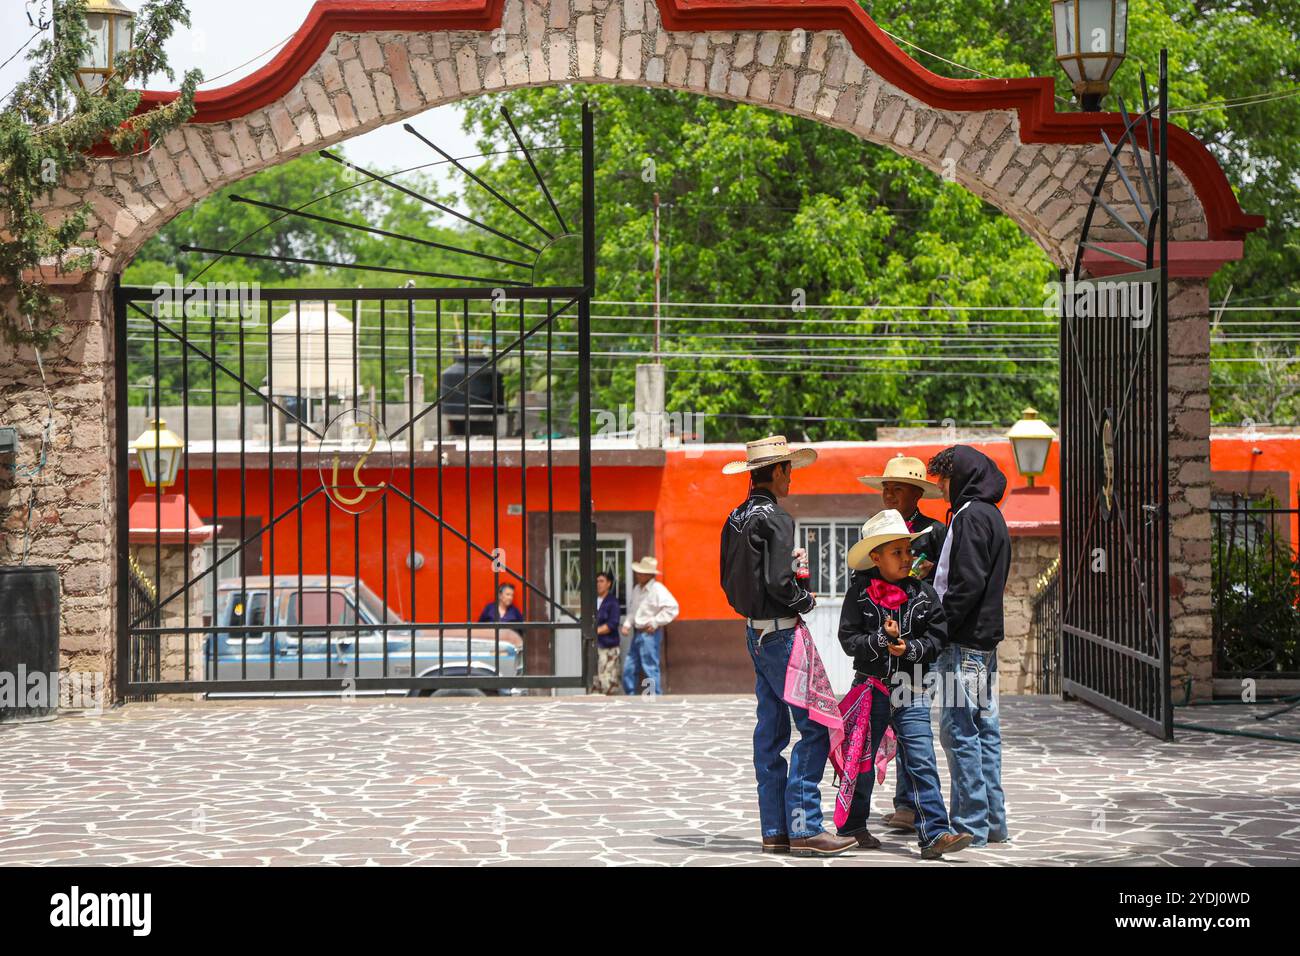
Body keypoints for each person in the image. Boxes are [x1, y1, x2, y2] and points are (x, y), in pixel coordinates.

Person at [719, 435, 856, 858]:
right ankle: (806, 826)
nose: (791, 478)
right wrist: (806, 601)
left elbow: (730, 581)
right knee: (816, 724)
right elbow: (781, 582)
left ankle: (775, 830)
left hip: (754, 633)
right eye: (789, 470)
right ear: (777, 471)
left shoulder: (735, 517)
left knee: (772, 732)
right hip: (781, 634)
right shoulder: (776, 518)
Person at [835, 509, 972, 860]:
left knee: (922, 758)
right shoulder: (860, 596)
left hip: (911, 689)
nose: (906, 558)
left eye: (908, 551)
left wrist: (910, 648)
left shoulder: (924, 595)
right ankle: (852, 826)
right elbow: (849, 639)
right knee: (862, 760)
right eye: (897, 553)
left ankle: (934, 834)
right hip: (871, 688)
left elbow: (937, 637)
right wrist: (881, 639)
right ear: (876, 557)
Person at [857, 454, 947, 835]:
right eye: (885, 487)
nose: (888, 493)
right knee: (876, 734)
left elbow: (944, 581)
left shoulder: (934, 532)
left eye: (896, 487)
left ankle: (910, 805)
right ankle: (858, 815)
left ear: (916, 492)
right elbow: (859, 585)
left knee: (915, 734)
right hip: (880, 653)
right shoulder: (874, 531)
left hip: (918, 644)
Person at [927, 445, 1011, 847]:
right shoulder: (991, 514)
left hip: (963, 646)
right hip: (982, 644)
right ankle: (992, 823)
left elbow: (966, 586)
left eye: (944, 480)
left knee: (959, 732)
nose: (942, 489)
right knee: (983, 731)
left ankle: (971, 825)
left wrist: (937, 627)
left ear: (959, 477)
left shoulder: (971, 516)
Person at [620, 557, 678, 696]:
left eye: (641, 573)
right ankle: (631, 696)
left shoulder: (657, 589)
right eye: (638, 572)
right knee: (629, 667)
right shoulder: (637, 589)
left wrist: (655, 622)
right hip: (638, 632)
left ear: (649, 575)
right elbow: (633, 610)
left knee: (649, 667)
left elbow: (673, 608)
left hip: (649, 633)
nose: (638, 575)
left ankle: (653, 697)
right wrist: (628, 624)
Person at [593, 570, 622, 695]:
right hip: (594, 647)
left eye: (601, 581)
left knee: (609, 681)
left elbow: (612, 624)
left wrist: (595, 631)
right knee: (595, 681)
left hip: (608, 647)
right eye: (597, 581)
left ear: (609, 584)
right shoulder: (592, 601)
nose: (598, 584)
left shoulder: (612, 602)